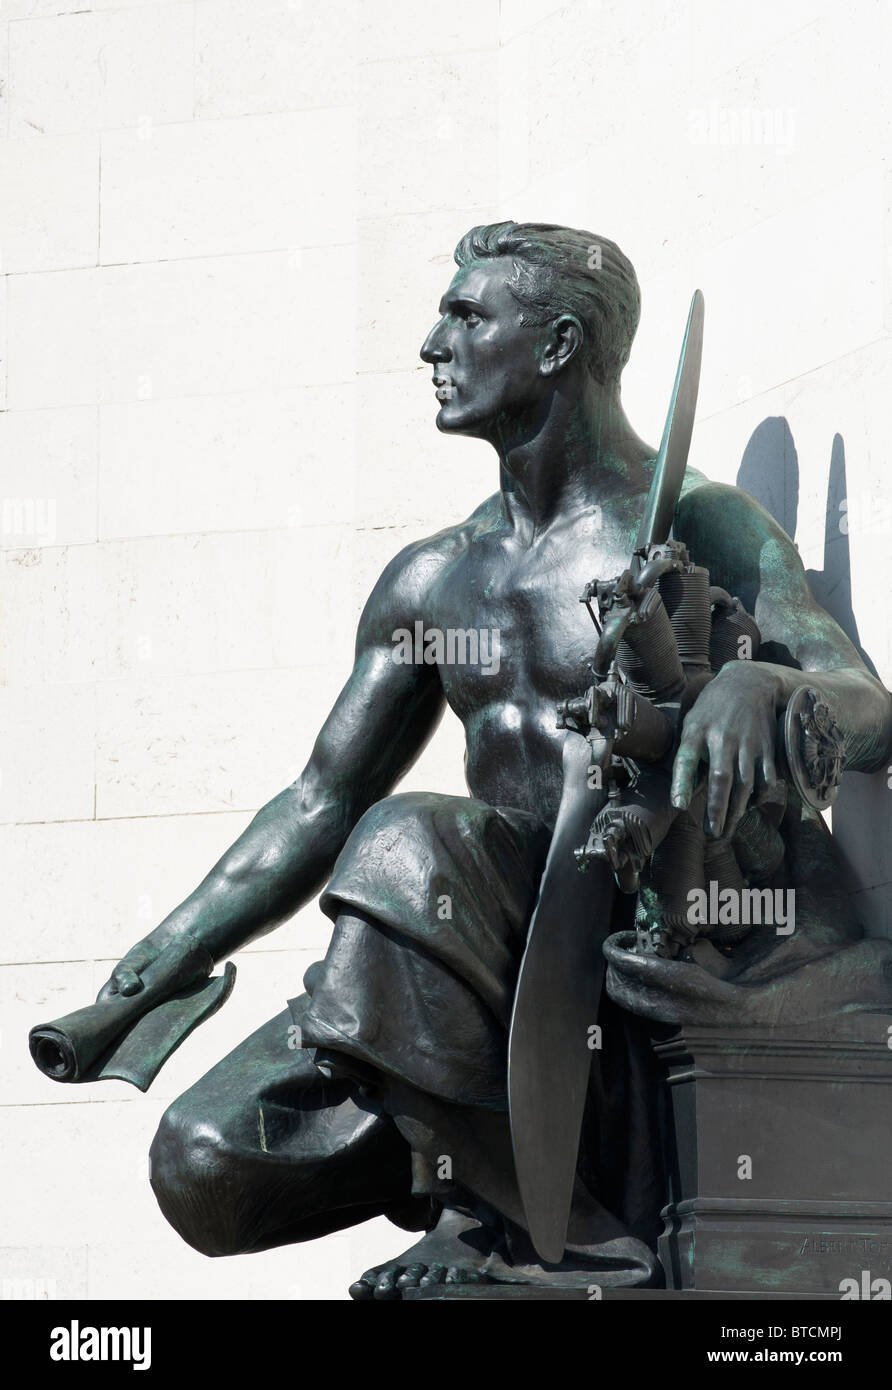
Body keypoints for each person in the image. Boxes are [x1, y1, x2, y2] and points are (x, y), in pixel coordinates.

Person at [98, 222, 891, 1298]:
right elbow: (319, 797)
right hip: (462, 966)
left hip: (623, 939)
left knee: (412, 834)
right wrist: (163, 955)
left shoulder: (702, 521)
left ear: (558, 343)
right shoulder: (433, 578)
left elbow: (870, 710)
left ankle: (527, 1231)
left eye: (467, 316)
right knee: (205, 1163)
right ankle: (488, 1175)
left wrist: (774, 683)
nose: (433, 342)